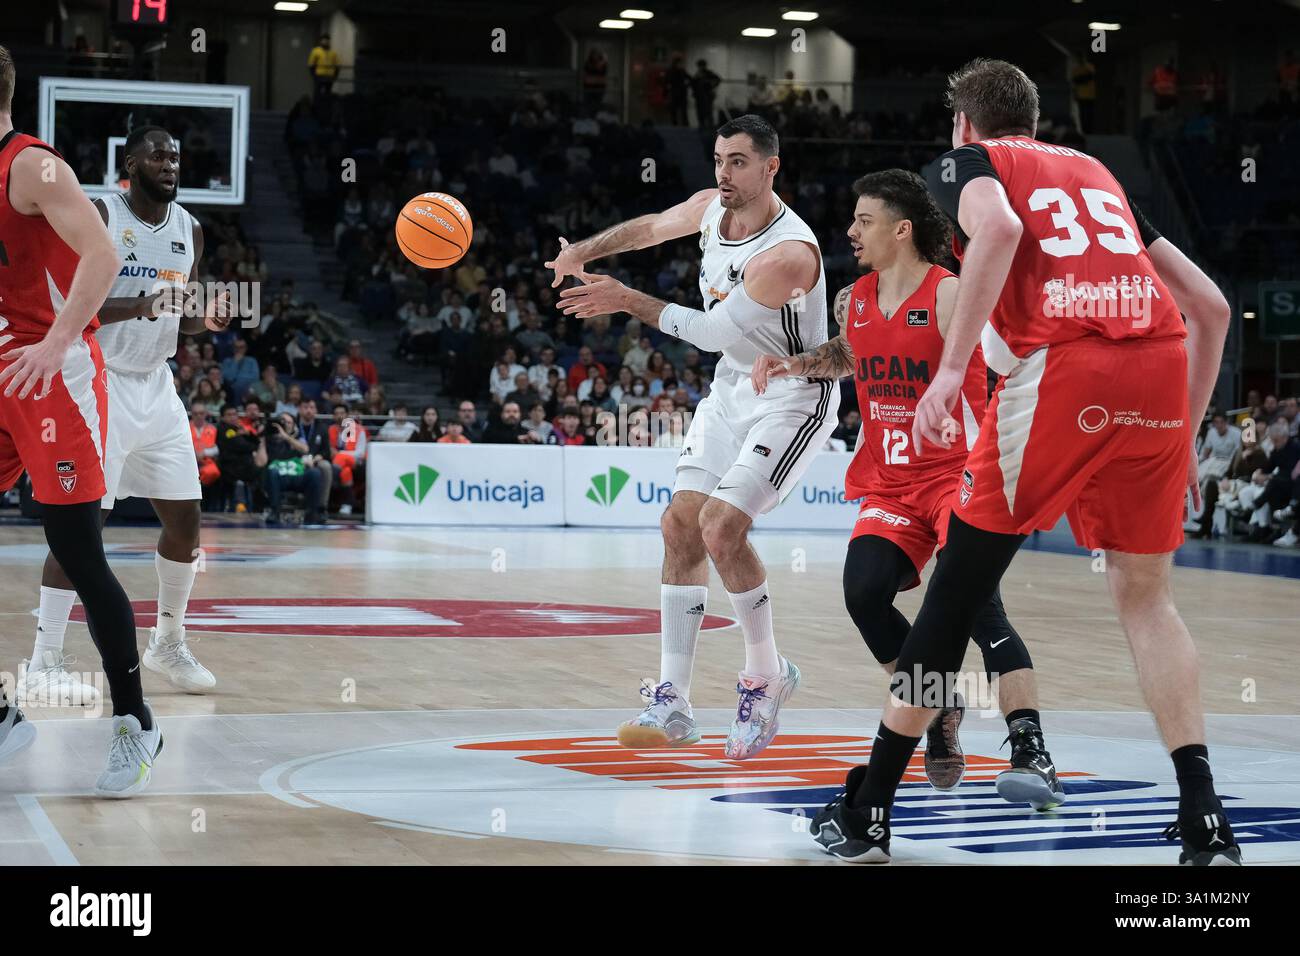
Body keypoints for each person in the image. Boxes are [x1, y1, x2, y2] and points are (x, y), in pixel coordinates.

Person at [809, 59, 1238, 866]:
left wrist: (949, 367)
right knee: (1147, 602)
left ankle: (871, 807)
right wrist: (1183, 432)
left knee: (950, 606)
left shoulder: (970, 163)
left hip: (1066, 372)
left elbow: (999, 230)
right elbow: (1210, 308)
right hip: (1159, 367)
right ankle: (1204, 818)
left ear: (962, 125)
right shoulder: (1100, 176)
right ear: (1034, 121)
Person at [753, 169, 1062, 807]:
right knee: (864, 594)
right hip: (891, 487)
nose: (850, 231)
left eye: (863, 221)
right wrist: (795, 364)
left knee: (980, 610)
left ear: (902, 229)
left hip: (959, 480)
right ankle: (937, 700)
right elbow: (851, 353)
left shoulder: (952, 295)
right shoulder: (854, 297)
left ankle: (1030, 744)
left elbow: (1010, 349)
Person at [550, 114, 836, 759]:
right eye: (717, 159)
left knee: (721, 527)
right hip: (734, 386)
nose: (723, 174)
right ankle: (674, 700)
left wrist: (626, 300)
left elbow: (710, 333)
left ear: (771, 168)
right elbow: (651, 227)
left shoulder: (789, 253)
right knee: (680, 525)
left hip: (793, 394)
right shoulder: (710, 207)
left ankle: (766, 676)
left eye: (738, 162)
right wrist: (583, 252)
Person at [0, 46, 166, 791]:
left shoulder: (33, 167)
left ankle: (135, 724)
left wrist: (60, 340)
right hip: (4, 371)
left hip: (54, 379)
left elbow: (101, 256)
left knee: (79, 553)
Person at [22, 124, 225, 701]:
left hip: (156, 386)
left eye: (176, 154)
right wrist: (142, 304)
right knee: (83, 529)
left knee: (186, 520)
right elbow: (70, 304)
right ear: (129, 163)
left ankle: (167, 642)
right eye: (159, 154)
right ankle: (44, 660)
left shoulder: (191, 230)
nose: (171, 162)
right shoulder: (102, 218)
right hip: (96, 380)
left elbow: (177, 313)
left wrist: (201, 318)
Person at [264, 412, 324, 525]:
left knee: (314, 473)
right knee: (272, 472)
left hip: (297, 475)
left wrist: (286, 437)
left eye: (289, 422)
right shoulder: (269, 439)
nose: (286, 424)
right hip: (279, 477)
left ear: (294, 426)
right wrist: (262, 438)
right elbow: (261, 461)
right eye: (283, 421)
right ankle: (275, 512)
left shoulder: (298, 439)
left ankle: (312, 513)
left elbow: (305, 449)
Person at [329, 404, 367, 515]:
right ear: (333, 417)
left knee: (341, 457)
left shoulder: (359, 430)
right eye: (337, 414)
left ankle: (333, 479)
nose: (340, 416)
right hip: (341, 465)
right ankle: (347, 504)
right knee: (345, 471)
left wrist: (341, 453)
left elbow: (360, 453)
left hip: (357, 463)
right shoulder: (330, 430)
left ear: (347, 415)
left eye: (342, 413)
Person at [307, 34, 340, 100]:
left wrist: (335, 76)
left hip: (329, 76)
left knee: (328, 93)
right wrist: (314, 75)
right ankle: (316, 107)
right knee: (317, 93)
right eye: (324, 40)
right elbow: (311, 64)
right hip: (319, 75)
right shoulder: (316, 51)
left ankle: (326, 107)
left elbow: (337, 65)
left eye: (327, 40)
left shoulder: (332, 53)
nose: (326, 42)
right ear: (321, 41)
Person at [691, 60, 721, 130]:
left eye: (701, 66)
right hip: (699, 96)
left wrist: (711, 86)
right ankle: (702, 126)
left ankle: (710, 128)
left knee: (708, 112)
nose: (700, 67)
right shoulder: (697, 74)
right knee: (700, 112)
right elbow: (693, 84)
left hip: (707, 96)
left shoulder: (708, 73)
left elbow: (717, 80)